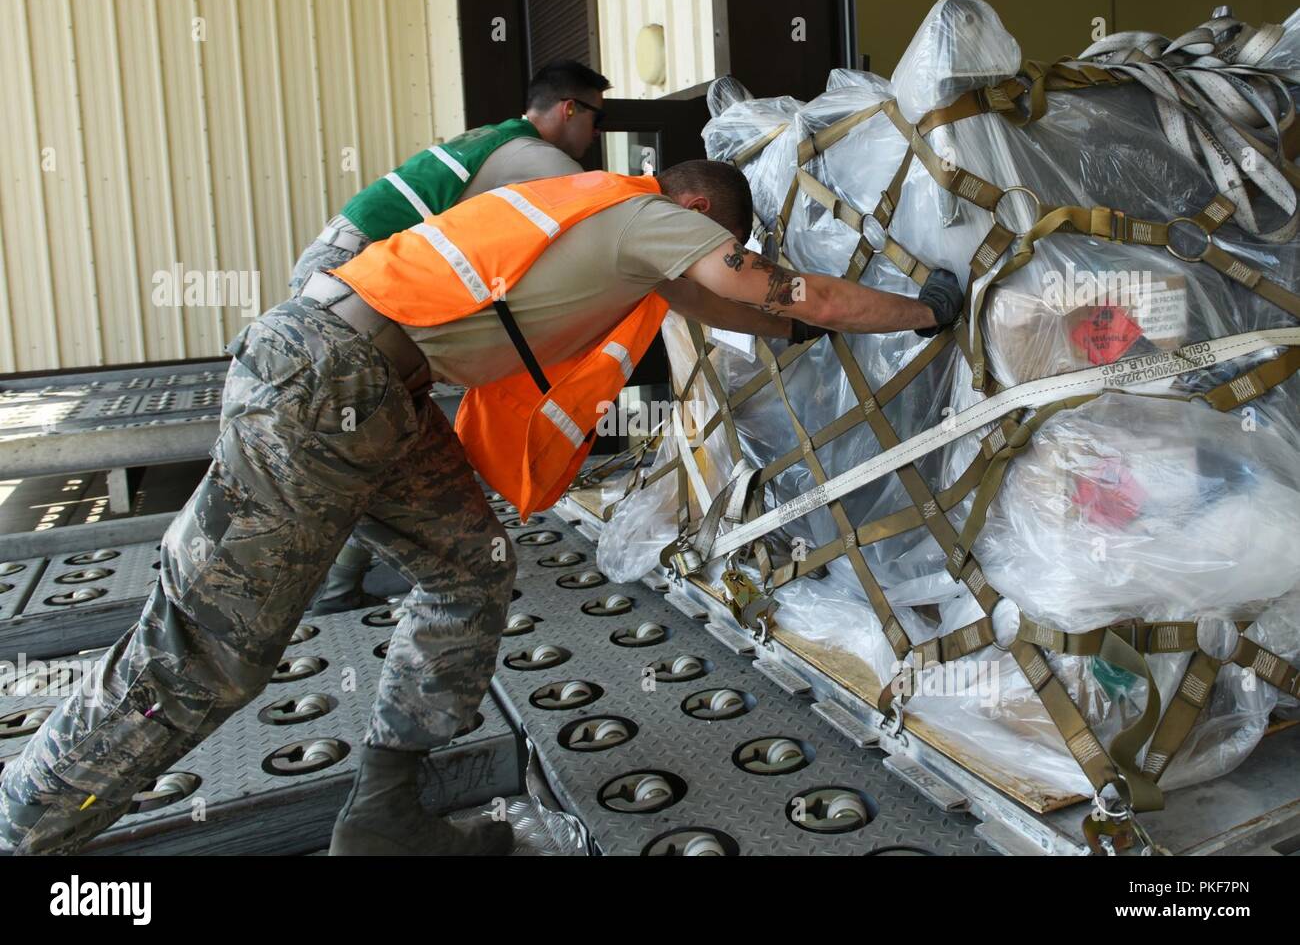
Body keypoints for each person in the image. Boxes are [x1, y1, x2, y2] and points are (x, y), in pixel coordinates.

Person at [0, 160, 962, 856]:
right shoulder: (651, 219)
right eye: (728, 239)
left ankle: (385, 811)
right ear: (702, 209)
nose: (727, 253)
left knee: (470, 565)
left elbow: (748, 311)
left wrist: (782, 330)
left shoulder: (610, 228)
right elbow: (794, 293)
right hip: (323, 382)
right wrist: (927, 311)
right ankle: (27, 826)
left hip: (381, 395)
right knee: (209, 652)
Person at [296, 59, 609, 615]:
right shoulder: (536, 157)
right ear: (569, 110)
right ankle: (347, 582)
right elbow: (609, 213)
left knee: (384, 442)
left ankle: (342, 584)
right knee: (376, 444)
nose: (595, 136)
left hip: (337, 279)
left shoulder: (491, 142)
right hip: (352, 288)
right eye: (595, 120)